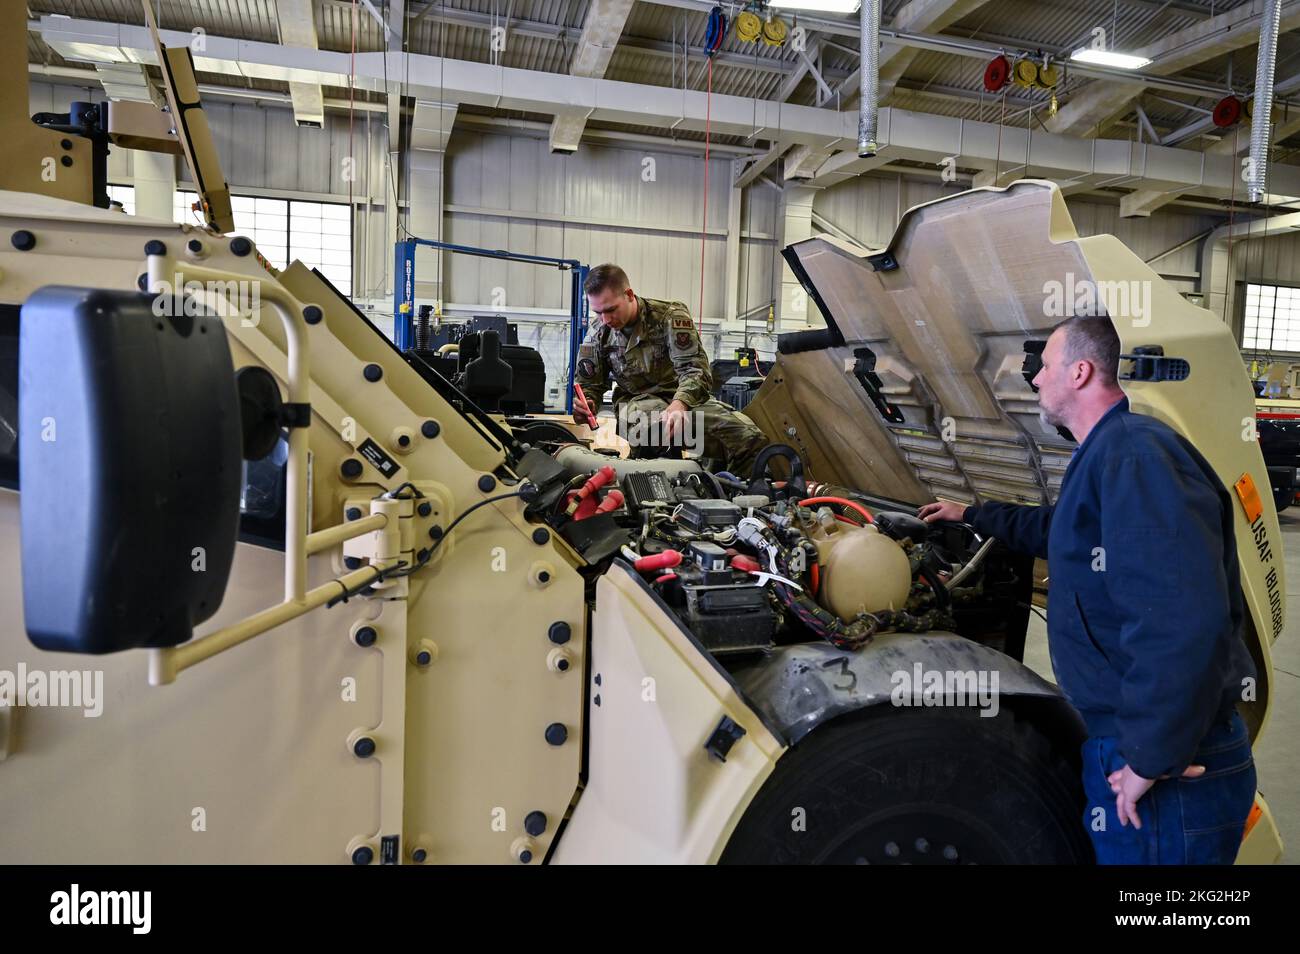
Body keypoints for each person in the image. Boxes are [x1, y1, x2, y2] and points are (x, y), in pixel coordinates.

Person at [919, 315, 1258, 865]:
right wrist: (974, 514)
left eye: (1045, 366)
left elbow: (1180, 621)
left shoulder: (1137, 456)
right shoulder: (1109, 451)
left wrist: (1152, 755)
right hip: (1128, 742)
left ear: (1080, 372)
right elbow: (1064, 530)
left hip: (1160, 764)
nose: (1035, 381)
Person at [575, 264, 768, 475]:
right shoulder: (597, 332)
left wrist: (680, 403)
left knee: (749, 438)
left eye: (611, 309)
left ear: (629, 294)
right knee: (656, 430)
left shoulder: (669, 317)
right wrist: (586, 404)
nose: (606, 319)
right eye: (598, 312)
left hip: (685, 401)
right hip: (636, 403)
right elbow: (588, 385)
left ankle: (728, 494)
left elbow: (696, 370)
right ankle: (655, 491)